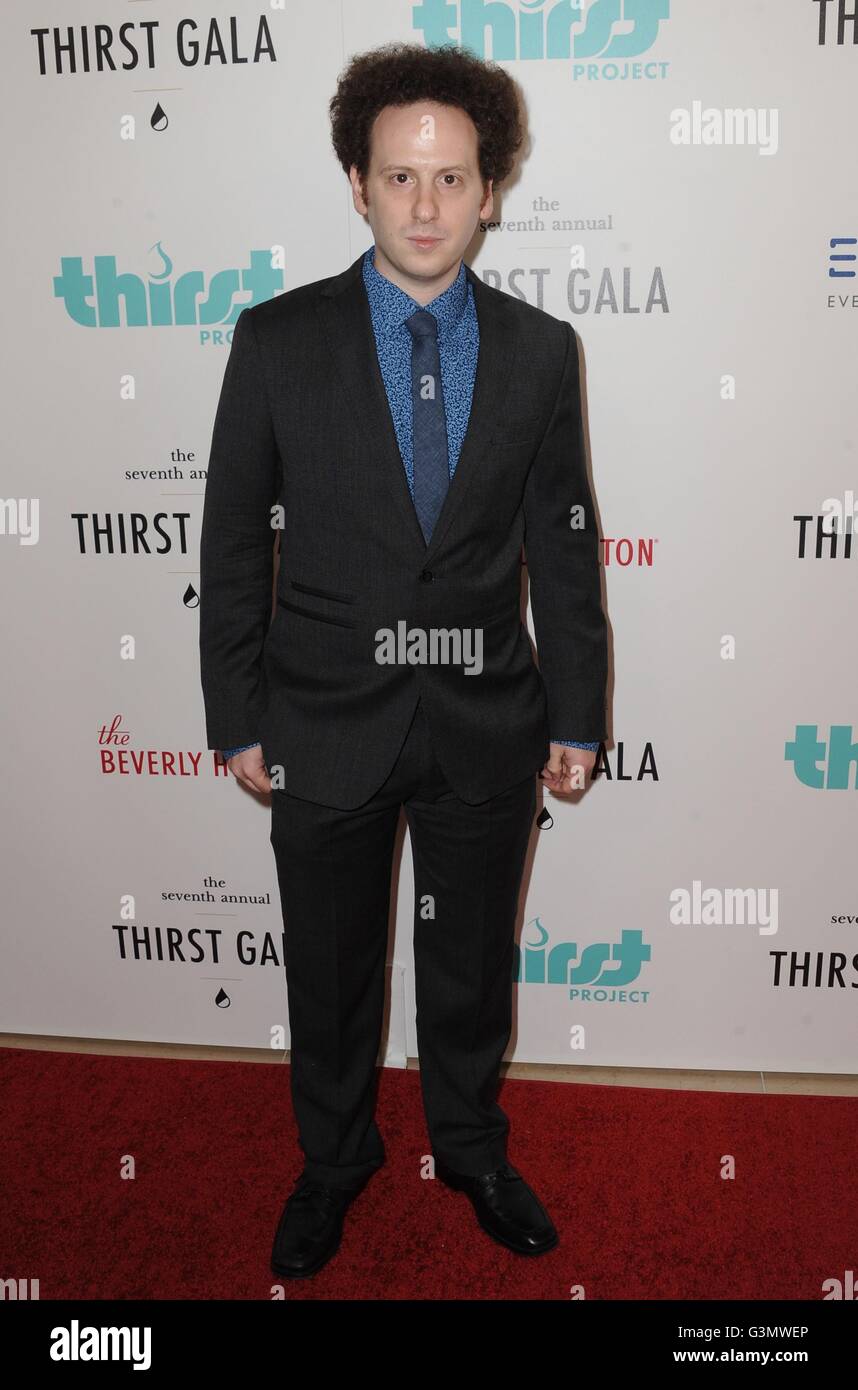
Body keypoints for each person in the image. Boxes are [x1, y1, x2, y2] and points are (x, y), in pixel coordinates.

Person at [199, 41, 608, 1279]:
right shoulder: (276, 341)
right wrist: (236, 714)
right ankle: (334, 1163)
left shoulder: (543, 352)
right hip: (322, 719)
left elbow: (567, 547)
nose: (425, 206)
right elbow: (229, 541)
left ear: (491, 191)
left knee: (473, 962)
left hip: (487, 720)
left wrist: (579, 715)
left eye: (451, 178)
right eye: (399, 177)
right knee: (327, 970)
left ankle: (472, 1148)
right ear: (357, 186)